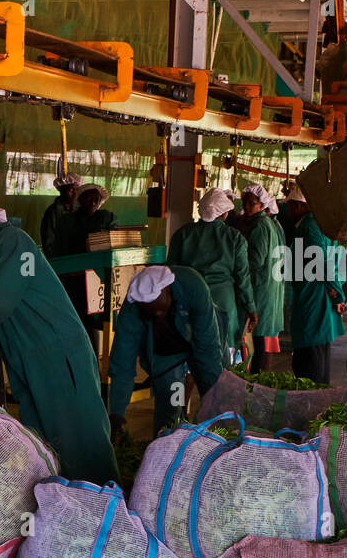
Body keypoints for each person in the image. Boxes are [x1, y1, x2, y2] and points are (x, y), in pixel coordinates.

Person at [0, 196, 119, 485]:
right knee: (43, 450)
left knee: (81, 444)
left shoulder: (11, 241)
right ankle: (64, 516)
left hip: (57, 358)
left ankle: (107, 513)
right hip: (32, 367)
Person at [107, 265, 225, 435]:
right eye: (151, 313)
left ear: (169, 290)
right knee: (171, 406)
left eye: (161, 310)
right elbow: (122, 361)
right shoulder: (132, 310)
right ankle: (168, 446)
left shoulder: (194, 286)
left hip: (201, 338)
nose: (158, 315)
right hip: (166, 353)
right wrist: (116, 413)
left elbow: (208, 350)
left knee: (214, 397)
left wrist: (215, 394)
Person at [166, 187, 256, 363]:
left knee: (192, 353)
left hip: (190, 301)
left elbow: (169, 273)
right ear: (224, 214)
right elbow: (242, 279)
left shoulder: (182, 235)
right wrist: (251, 308)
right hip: (224, 302)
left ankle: (188, 386)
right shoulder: (235, 238)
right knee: (226, 352)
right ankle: (224, 387)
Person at [283, 187, 346, 385]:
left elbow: (322, 263)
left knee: (309, 355)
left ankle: (312, 399)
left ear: (299, 206)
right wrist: (335, 289)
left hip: (312, 296)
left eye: (291, 206)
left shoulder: (309, 227)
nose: (289, 211)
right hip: (318, 293)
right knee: (317, 350)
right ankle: (318, 397)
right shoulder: (320, 225)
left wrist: (337, 294)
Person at [235, 184, 284, 372]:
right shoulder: (264, 223)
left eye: (251, 203)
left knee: (259, 342)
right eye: (245, 203)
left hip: (260, 289)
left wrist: (236, 267)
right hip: (266, 288)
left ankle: (256, 385)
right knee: (260, 340)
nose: (247, 207)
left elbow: (255, 260)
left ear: (262, 205)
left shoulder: (259, 225)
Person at [40, 172, 82, 258]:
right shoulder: (52, 212)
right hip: (61, 259)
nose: (74, 193)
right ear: (61, 190)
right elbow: (48, 243)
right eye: (71, 190)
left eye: (76, 190)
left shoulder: (79, 210)